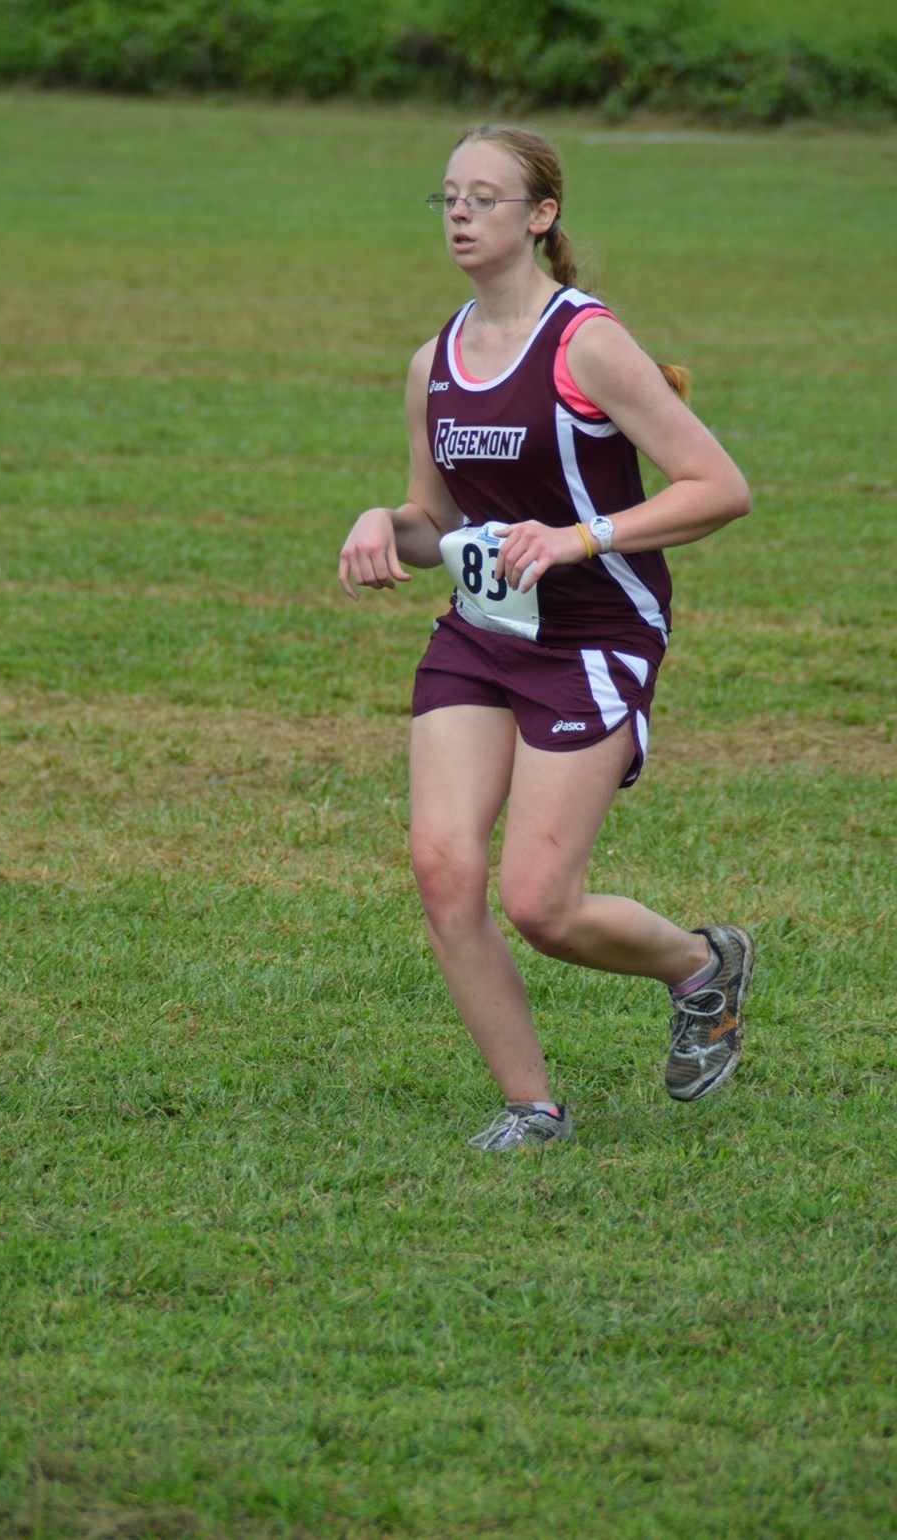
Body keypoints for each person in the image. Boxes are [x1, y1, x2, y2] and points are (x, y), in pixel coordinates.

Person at [337, 124, 755, 1152]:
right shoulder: (431, 360)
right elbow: (435, 523)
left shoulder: (587, 345)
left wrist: (577, 539)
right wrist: (380, 524)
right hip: (482, 635)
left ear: (540, 216)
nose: (461, 215)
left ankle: (700, 966)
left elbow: (720, 489)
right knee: (443, 873)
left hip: (595, 632)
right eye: (447, 197)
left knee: (538, 901)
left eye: (484, 197)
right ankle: (533, 1107)